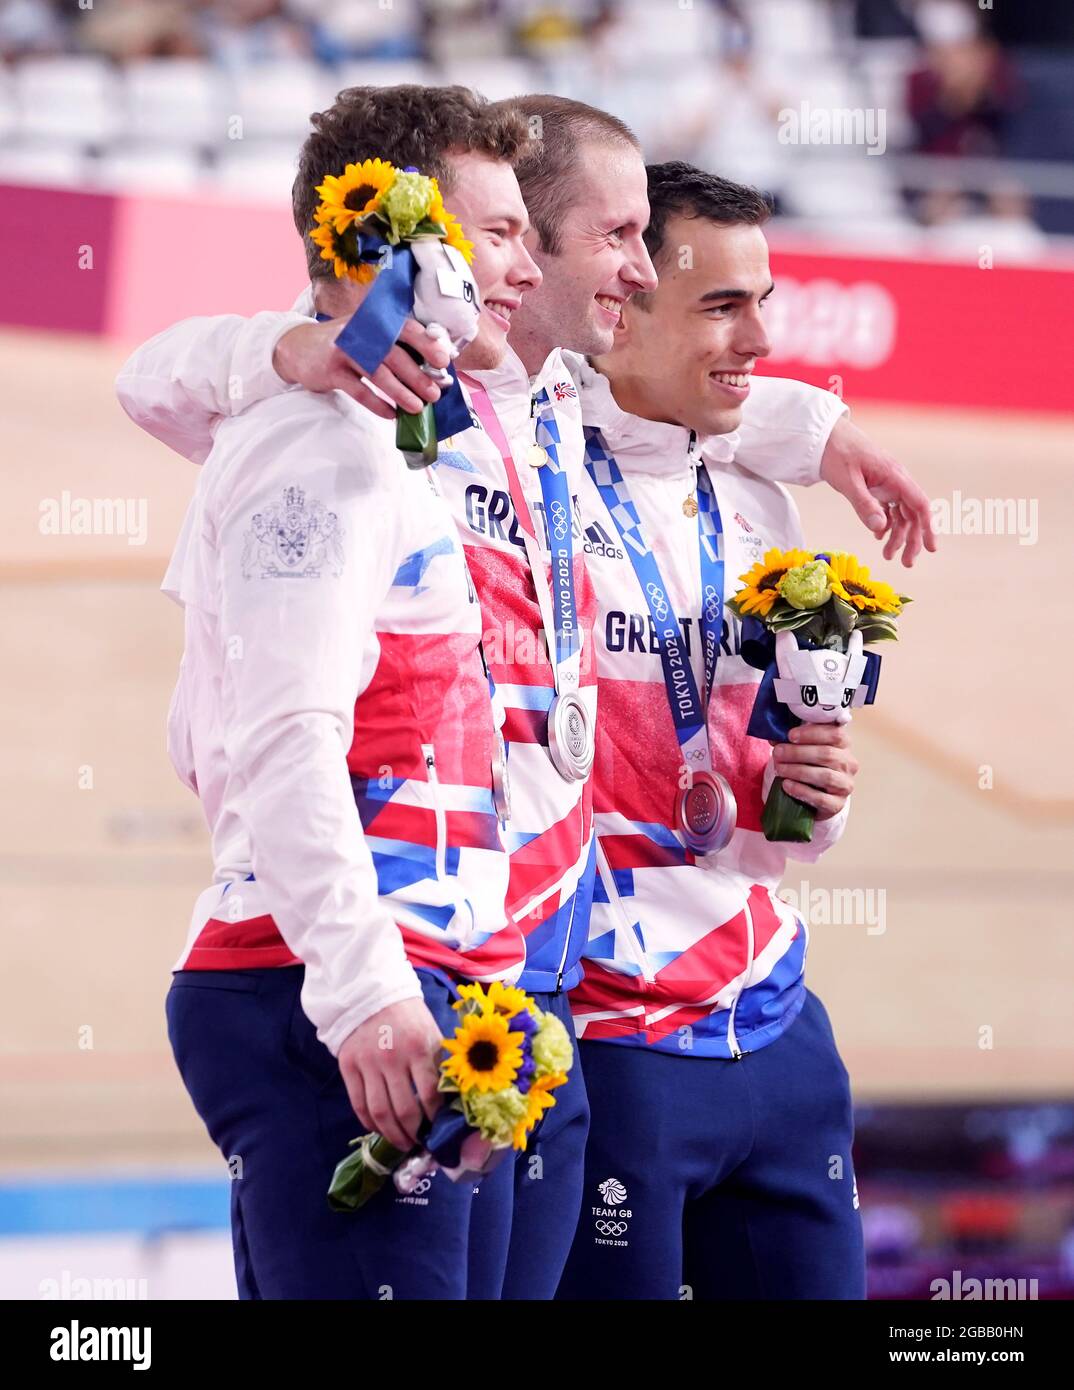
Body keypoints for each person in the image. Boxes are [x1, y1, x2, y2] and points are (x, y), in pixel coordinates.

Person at [117, 92, 934, 1299]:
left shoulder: (560, 403)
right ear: (510, 253)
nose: (640, 271)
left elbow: (700, 386)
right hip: (400, 963)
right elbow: (154, 378)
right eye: (616, 240)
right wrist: (287, 343)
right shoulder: (386, 408)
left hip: (532, 978)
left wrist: (827, 433)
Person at [138, 85, 545, 1300]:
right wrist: (370, 995)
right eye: (504, 233)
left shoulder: (385, 438)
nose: (528, 266)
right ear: (403, 247)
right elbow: (284, 739)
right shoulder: (321, 451)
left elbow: (159, 374)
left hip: (405, 981)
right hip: (340, 998)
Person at [556, 162, 870, 1300]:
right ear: (620, 299)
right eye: (723, 305)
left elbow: (764, 803)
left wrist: (818, 797)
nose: (763, 337)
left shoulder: (755, 505)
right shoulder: (530, 476)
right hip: (611, 1042)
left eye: (766, 300)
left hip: (780, 1031)